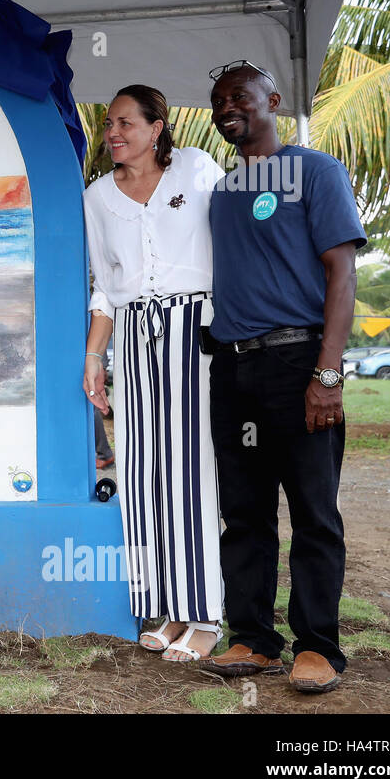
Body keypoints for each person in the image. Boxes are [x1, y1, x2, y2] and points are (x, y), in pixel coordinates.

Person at [197, 61, 365, 694]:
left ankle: (318, 646)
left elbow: (341, 276)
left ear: (273, 100)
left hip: (300, 365)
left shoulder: (316, 172)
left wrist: (328, 373)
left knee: (314, 512)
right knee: (243, 512)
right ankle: (253, 639)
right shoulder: (222, 194)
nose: (226, 107)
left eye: (239, 96)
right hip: (235, 369)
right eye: (217, 101)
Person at [83, 85, 227, 662]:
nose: (113, 132)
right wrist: (95, 356)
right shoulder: (97, 196)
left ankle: (207, 615)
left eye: (125, 122)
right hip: (135, 336)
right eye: (109, 125)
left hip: (199, 327)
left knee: (193, 471)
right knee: (143, 472)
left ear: (157, 125)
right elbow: (105, 283)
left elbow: (234, 241)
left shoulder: (196, 169)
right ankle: (164, 606)